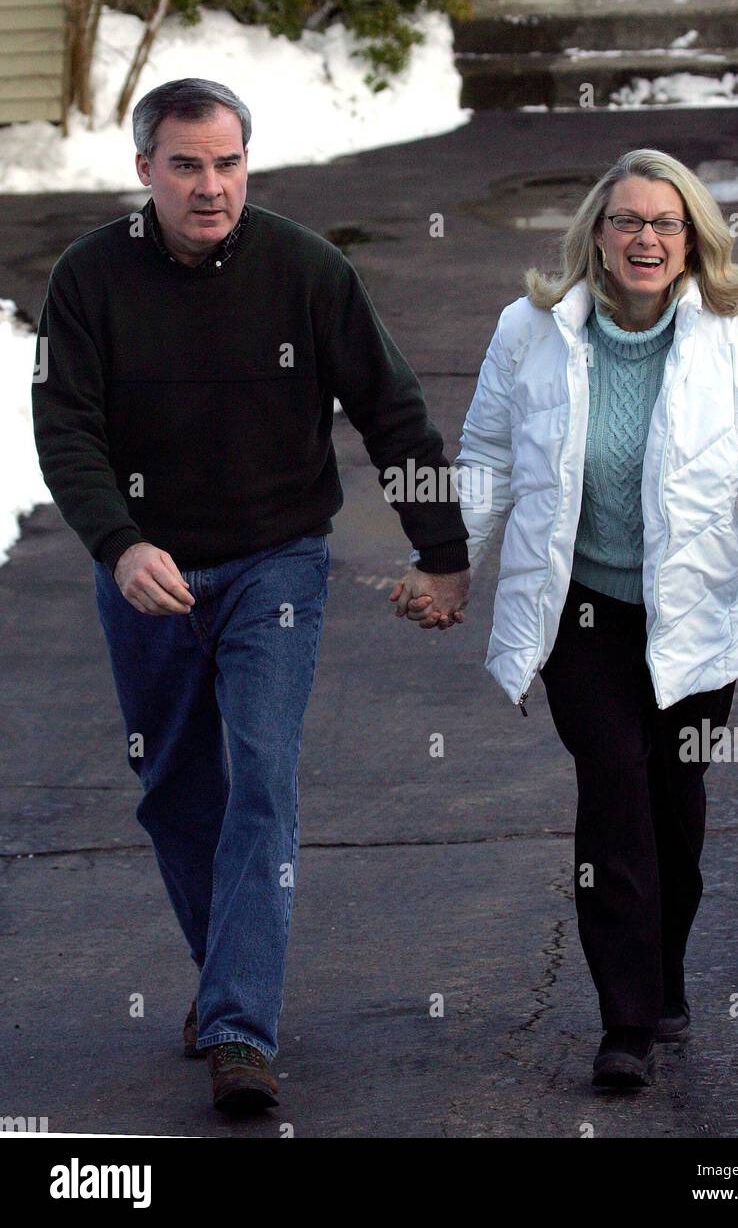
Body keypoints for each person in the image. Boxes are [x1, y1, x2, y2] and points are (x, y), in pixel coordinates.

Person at [31, 77, 470, 1113]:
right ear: (145, 170)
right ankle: (226, 976)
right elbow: (66, 431)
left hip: (277, 560)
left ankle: (238, 1026)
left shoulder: (306, 271)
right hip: (149, 574)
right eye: (187, 165)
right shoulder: (89, 280)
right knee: (176, 790)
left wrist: (441, 550)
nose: (211, 186)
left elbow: (392, 411)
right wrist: (119, 542)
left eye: (228, 163)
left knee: (262, 780)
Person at [396, 148, 738, 1091]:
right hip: (581, 618)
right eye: (627, 221)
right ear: (596, 236)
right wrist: (445, 567)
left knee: (672, 816)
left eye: (665, 223)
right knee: (612, 796)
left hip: (693, 623)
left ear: (693, 241)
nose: (645, 239)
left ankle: (664, 979)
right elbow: (484, 457)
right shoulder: (528, 332)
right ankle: (625, 1022)